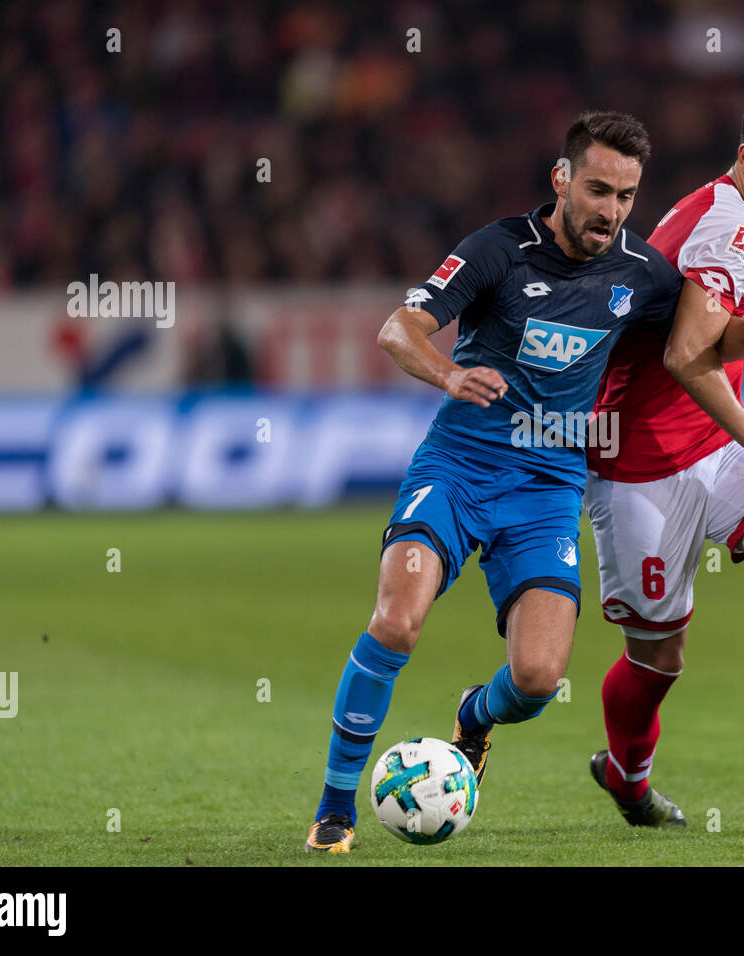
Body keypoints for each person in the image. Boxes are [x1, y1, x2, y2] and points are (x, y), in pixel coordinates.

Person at [304, 111, 686, 854]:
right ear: (563, 179)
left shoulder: (643, 275)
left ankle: (473, 717)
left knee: (539, 679)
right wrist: (451, 373)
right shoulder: (499, 250)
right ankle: (335, 808)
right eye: (599, 189)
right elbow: (397, 329)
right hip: (458, 469)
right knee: (396, 621)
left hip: (547, 490)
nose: (611, 210)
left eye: (627, 196)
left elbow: (696, 346)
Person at [583, 90, 744, 825]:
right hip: (638, 460)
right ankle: (628, 782)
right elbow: (683, 357)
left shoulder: (710, 205)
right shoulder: (733, 231)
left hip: (700, 440)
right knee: (658, 659)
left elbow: (704, 340)